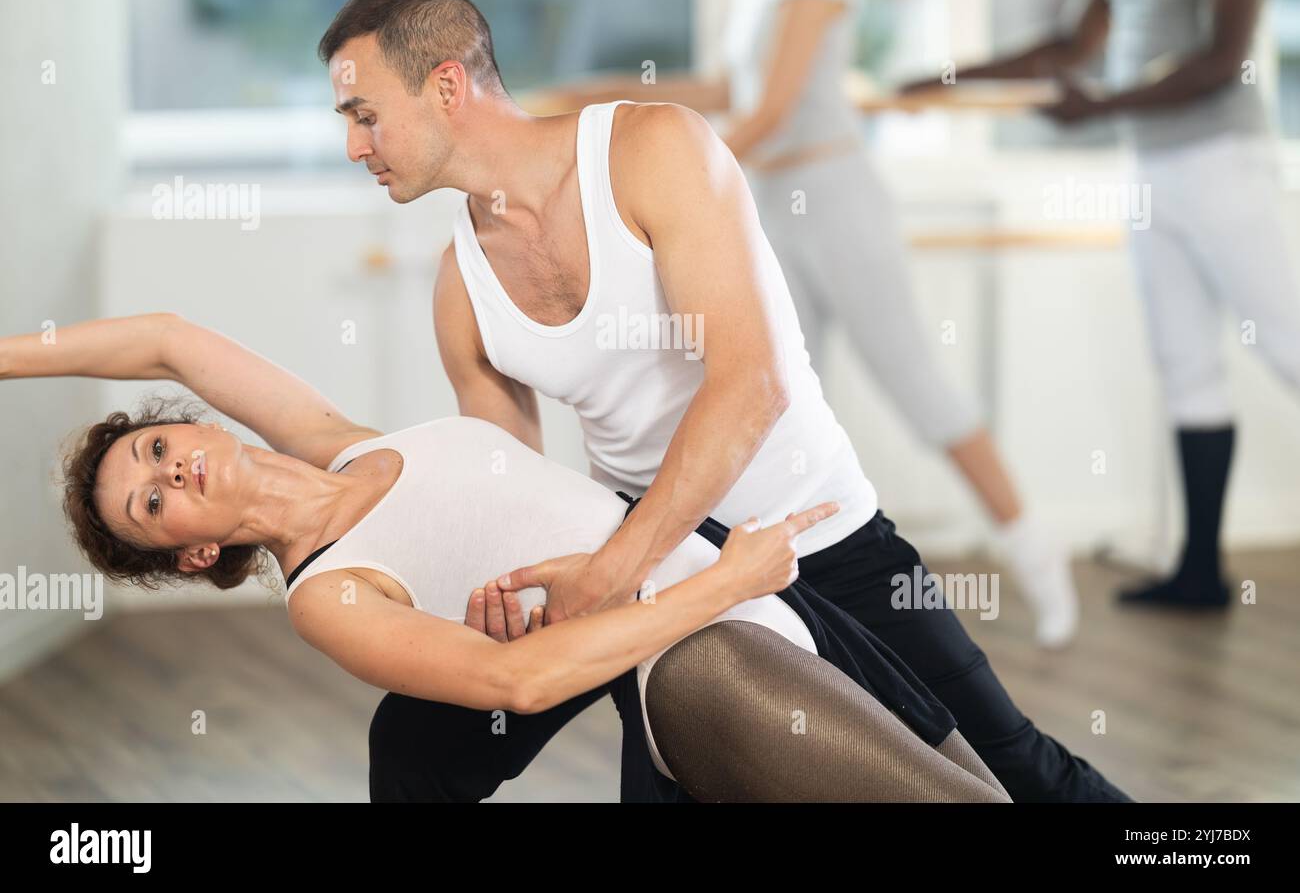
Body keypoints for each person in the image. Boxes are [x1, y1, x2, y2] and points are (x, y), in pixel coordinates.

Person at [315, 0, 1132, 801]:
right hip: (667, 586)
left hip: (819, 540)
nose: (354, 146)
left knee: (1020, 770)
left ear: (446, 86)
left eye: (364, 114)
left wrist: (614, 569)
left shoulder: (653, 150)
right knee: (414, 745)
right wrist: (502, 599)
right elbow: (512, 492)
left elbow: (751, 385)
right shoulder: (461, 289)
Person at [1, 312, 1013, 803]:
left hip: (776, 610)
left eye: (157, 449)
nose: (171, 473)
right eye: (151, 504)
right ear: (193, 551)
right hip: (705, 664)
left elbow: (165, 338)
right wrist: (723, 580)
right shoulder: (329, 594)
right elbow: (514, 681)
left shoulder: (347, 442)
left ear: (194, 427)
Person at [530, 0, 1079, 648]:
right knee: (772, 404)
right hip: (771, 205)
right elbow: (725, 88)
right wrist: (600, 95)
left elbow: (772, 113)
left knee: (917, 384)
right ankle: (783, 593)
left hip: (838, 202)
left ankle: (1037, 554)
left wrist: (666, 174)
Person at [904, 0, 1299, 609]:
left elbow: (1223, 60)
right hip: (1152, 168)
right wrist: (945, 80)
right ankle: (1200, 572)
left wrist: (1103, 106)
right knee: (1186, 365)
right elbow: (1069, 45)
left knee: (1287, 343)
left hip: (1225, 166)